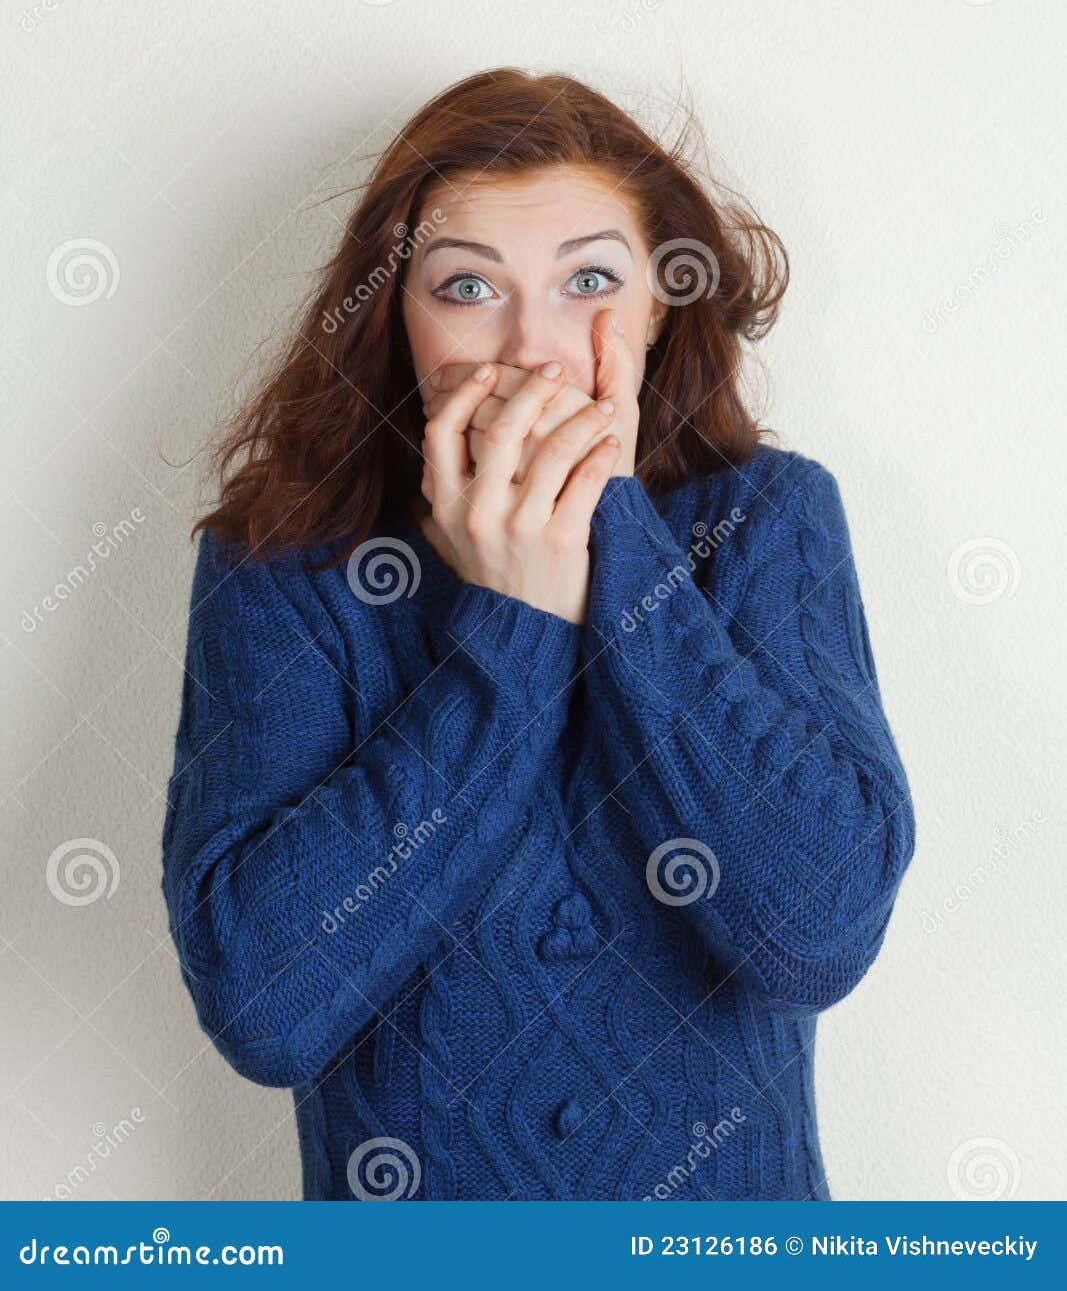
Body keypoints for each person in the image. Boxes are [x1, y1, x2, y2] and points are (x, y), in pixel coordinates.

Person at [161, 66, 917, 1200]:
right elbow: (265, 1010)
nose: (532, 345)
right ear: (394, 319)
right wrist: (511, 625)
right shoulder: (284, 563)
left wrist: (608, 539)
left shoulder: (765, 519)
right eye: (466, 287)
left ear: (660, 305)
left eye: (588, 282)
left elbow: (814, 934)